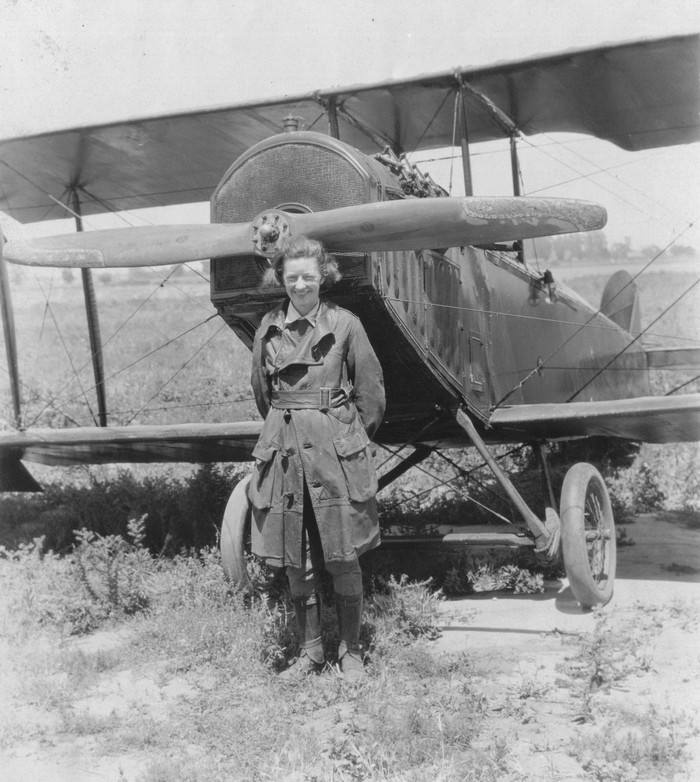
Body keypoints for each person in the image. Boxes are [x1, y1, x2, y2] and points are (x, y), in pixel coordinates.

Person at [248, 235, 385, 682]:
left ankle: (351, 652)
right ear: (280, 279)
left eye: (309, 276)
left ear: (323, 275)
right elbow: (262, 395)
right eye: (292, 278)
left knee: (343, 556)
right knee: (296, 558)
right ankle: (309, 653)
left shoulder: (346, 324)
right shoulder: (267, 327)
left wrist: (343, 438)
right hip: (285, 451)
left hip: (334, 454)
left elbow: (372, 397)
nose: (301, 285)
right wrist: (288, 427)